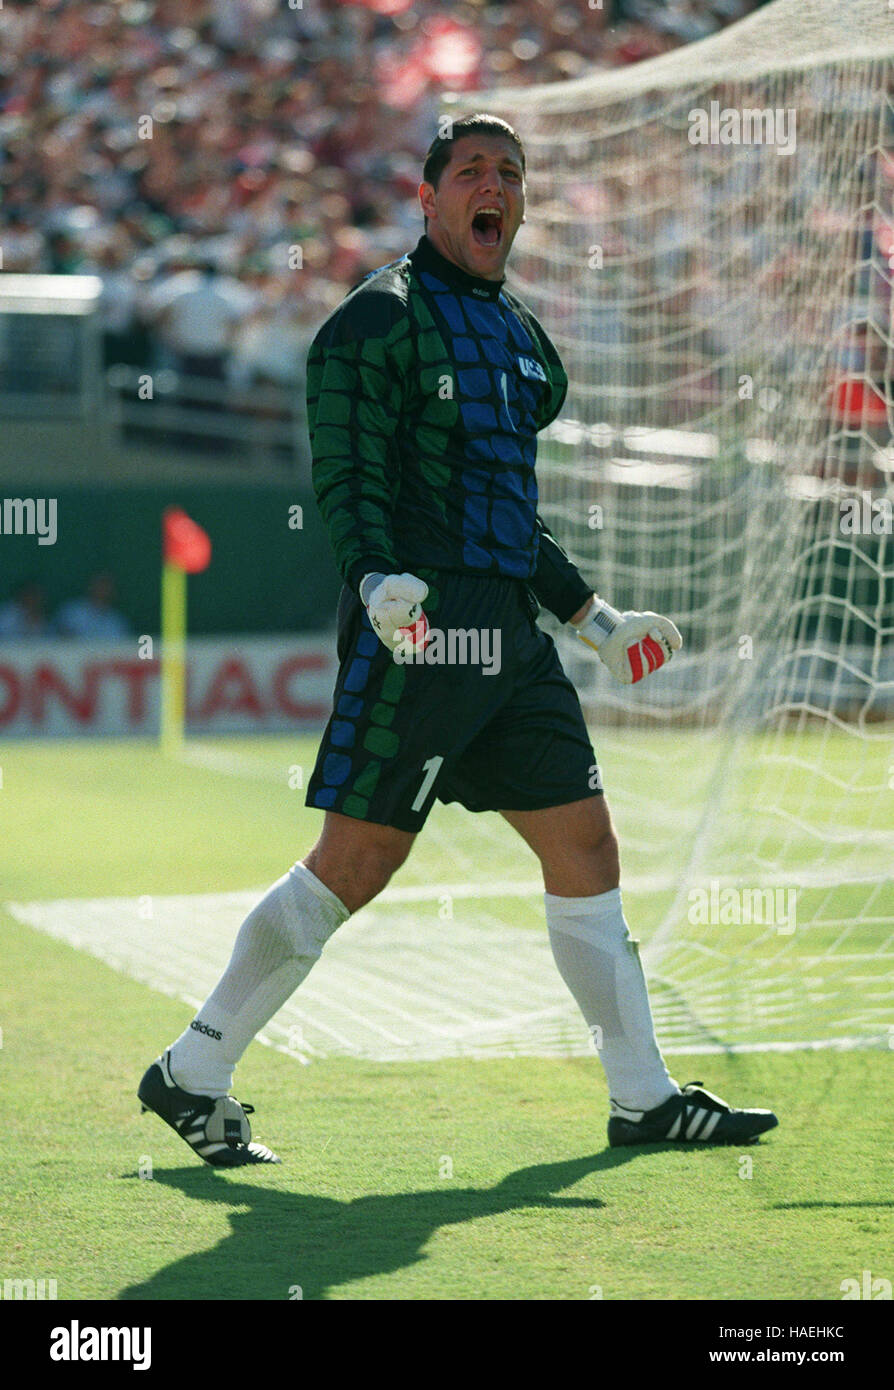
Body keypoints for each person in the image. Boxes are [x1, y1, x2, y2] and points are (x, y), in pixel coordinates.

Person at [139, 114, 777, 1166]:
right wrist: (376, 576)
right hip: (425, 635)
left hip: (514, 645)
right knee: (355, 862)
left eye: (511, 174)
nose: (496, 186)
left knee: (586, 846)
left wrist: (593, 617)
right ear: (426, 197)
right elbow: (344, 477)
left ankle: (642, 1096)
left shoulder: (522, 338)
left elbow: (508, 517)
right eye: (472, 170)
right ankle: (192, 1070)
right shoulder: (373, 322)